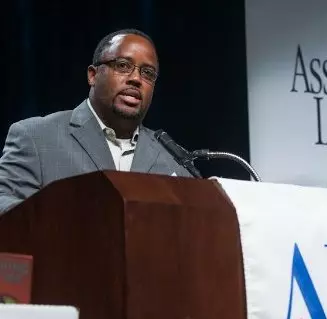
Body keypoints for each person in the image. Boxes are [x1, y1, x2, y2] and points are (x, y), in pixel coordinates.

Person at [0, 29, 192, 214]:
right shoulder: (36, 137)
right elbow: (5, 207)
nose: (136, 79)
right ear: (93, 75)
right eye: (123, 65)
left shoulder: (172, 160)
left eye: (148, 73)